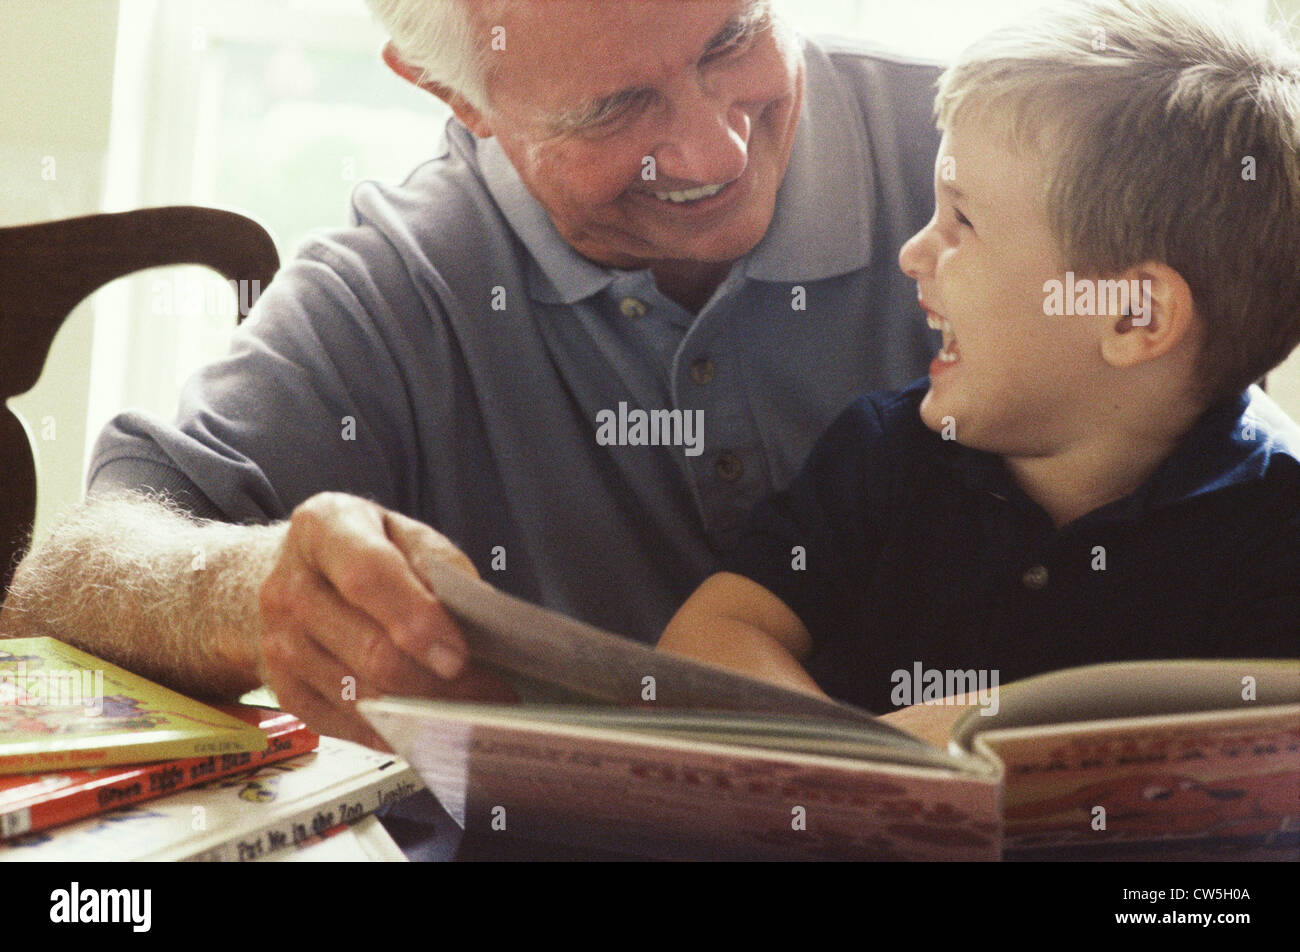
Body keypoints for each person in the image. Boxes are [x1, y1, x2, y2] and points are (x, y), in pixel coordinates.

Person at [0, 0, 942, 749]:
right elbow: (60, 586)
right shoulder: (399, 289)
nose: (717, 151)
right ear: (456, 96)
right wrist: (251, 592)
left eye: (733, 36)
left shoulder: (987, 153)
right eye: (612, 108)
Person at [658, 0, 1300, 713]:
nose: (912, 253)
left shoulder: (1276, 530)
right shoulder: (884, 457)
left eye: (961, 220)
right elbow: (713, 634)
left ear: (1132, 315)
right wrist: (881, 766)